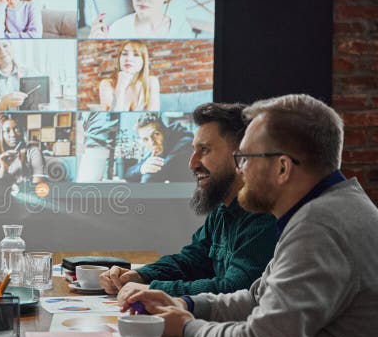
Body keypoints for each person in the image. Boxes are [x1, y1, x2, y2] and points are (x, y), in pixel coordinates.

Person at [119, 94, 378, 337]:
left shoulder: (319, 226)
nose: (240, 169)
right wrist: (188, 305)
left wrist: (186, 329)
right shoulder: (327, 209)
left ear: (282, 168)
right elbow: (255, 297)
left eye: (246, 158)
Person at [100, 103, 277, 296]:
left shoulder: (263, 215)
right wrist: (138, 276)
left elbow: (234, 290)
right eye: (194, 150)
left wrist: (152, 289)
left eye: (205, 150)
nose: (192, 163)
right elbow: (191, 261)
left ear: (241, 156)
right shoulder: (223, 210)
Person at [124, 112, 193, 183]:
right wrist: (141, 169)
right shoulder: (160, 148)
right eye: (145, 139)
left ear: (165, 132)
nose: (152, 143)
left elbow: (150, 178)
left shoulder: (185, 143)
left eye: (155, 134)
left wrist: (145, 170)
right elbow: (128, 174)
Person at [0, 114, 47, 185]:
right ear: (0, 134)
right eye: (7, 130)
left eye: (16, 129)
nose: (13, 134)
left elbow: (38, 185)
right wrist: (3, 167)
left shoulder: (32, 151)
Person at [98, 41, 160, 111]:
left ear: (143, 61)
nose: (128, 59)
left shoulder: (151, 82)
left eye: (136, 55)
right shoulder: (106, 84)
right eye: (124, 54)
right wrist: (120, 89)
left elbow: (153, 117)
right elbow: (112, 118)